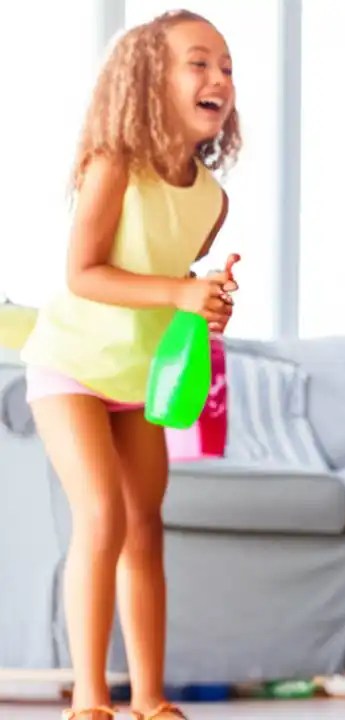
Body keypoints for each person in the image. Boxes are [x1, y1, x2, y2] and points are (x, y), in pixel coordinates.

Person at [20, 10, 242, 720]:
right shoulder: (113, 164)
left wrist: (207, 300)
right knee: (102, 513)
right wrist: (180, 289)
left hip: (140, 380)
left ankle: (150, 696)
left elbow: (174, 283)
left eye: (227, 67)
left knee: (146, 524)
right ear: (149, 79)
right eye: (198, 63)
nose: (219, 79)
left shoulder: (212, 200)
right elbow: (84, 273)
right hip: (70, 368)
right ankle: (89, 699)